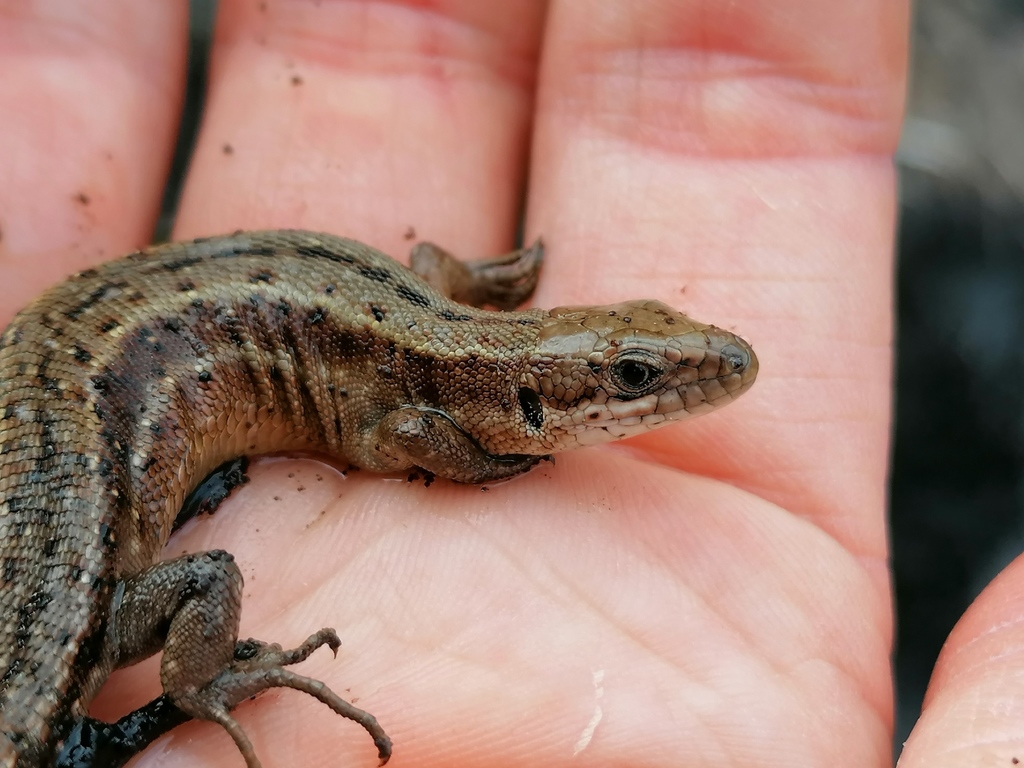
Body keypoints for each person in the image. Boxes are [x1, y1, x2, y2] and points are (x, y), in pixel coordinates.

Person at [3, 3, 984, 767]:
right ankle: (204, 683)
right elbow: (408, 431)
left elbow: (423, 312)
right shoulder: (435, 402)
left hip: (62, 400)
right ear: (534, 398)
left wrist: (469, 297)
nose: (680, 383)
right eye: (637, 378)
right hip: (81, 578)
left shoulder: (433, 368)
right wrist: (477, 463)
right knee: (205, 578)